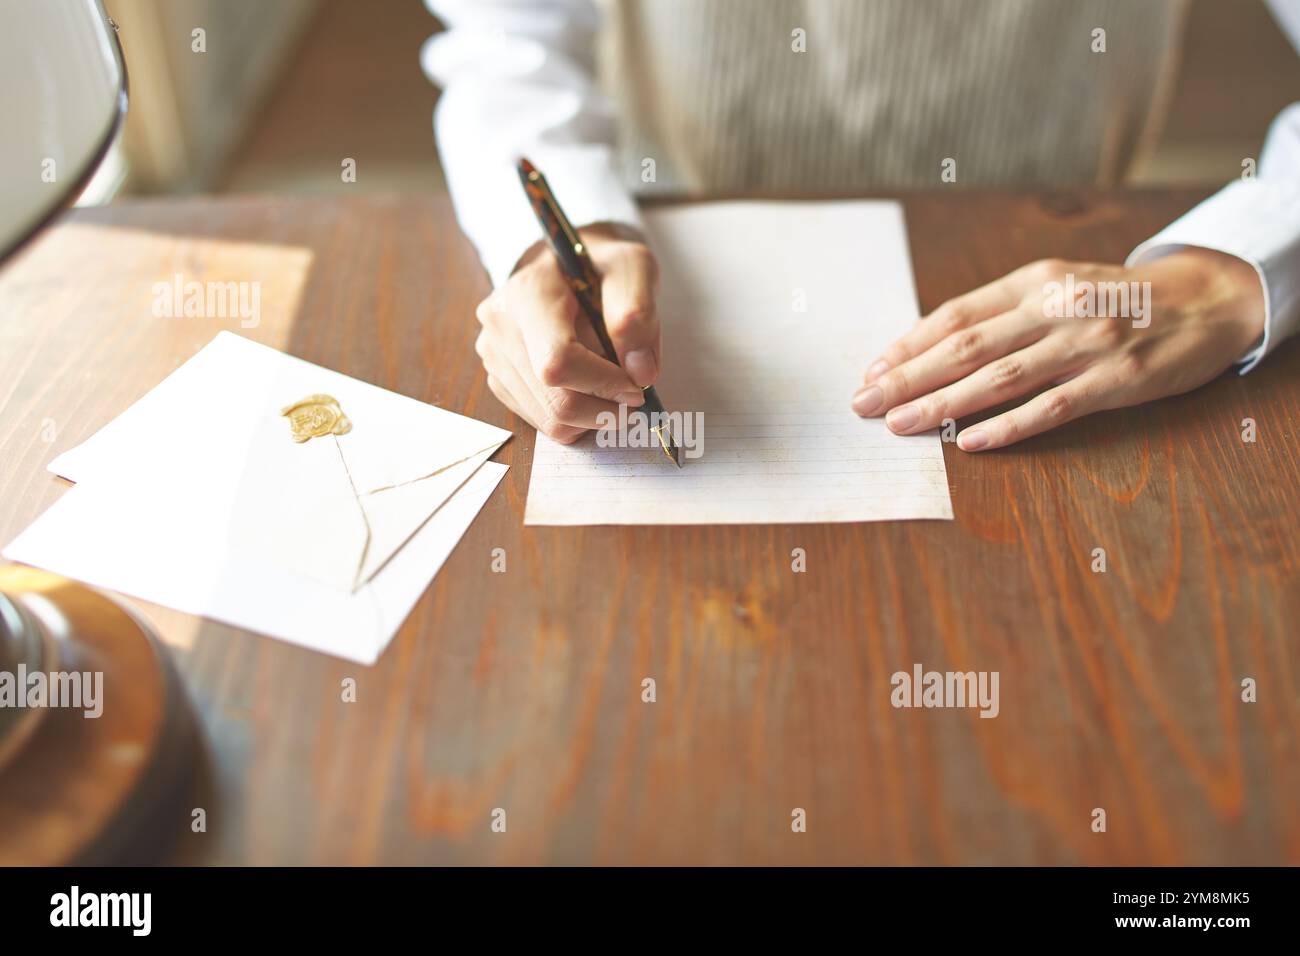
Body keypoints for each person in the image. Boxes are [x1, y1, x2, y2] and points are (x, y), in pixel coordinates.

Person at [423, 0, 1300, 452]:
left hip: (1059, 226)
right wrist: (561, 236)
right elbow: (508, 43)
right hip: (673, 212)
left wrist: (1229, 271)